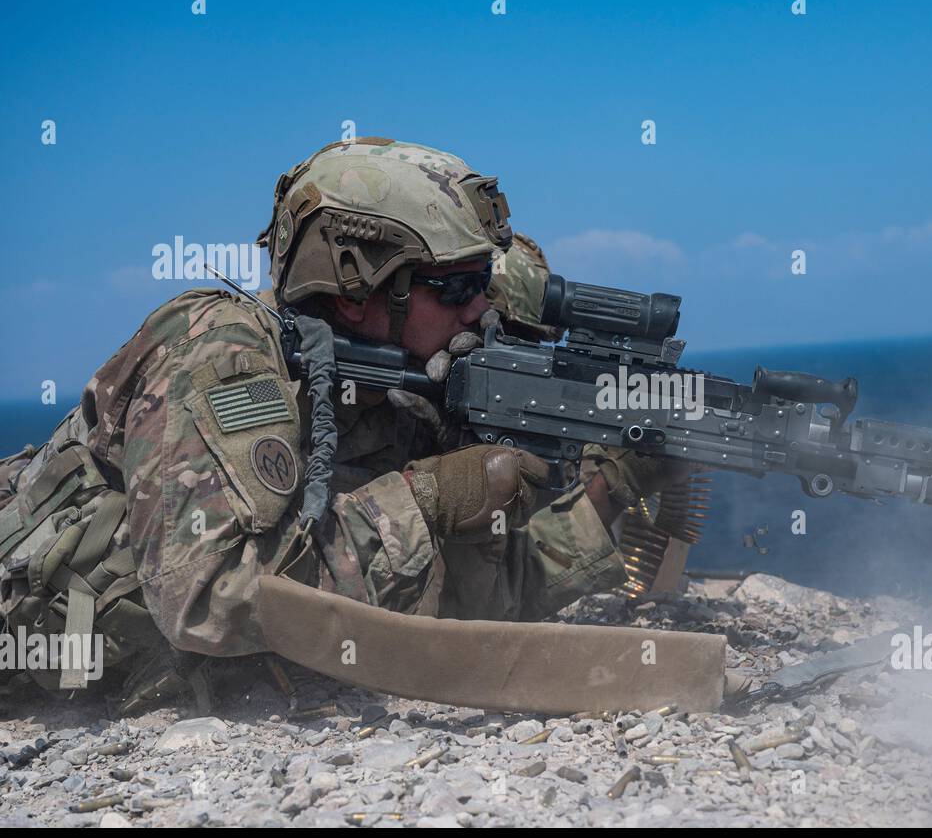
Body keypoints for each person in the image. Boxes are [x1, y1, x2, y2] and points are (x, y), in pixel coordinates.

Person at [0, 138, 684, 710]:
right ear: (355, 285)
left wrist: (605, 493)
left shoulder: (394, 393)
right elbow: (206, 599)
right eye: (454, 286)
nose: (481, 309)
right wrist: (431, 497)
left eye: (485, 282)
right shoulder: (216, 348)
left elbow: (461, 611)